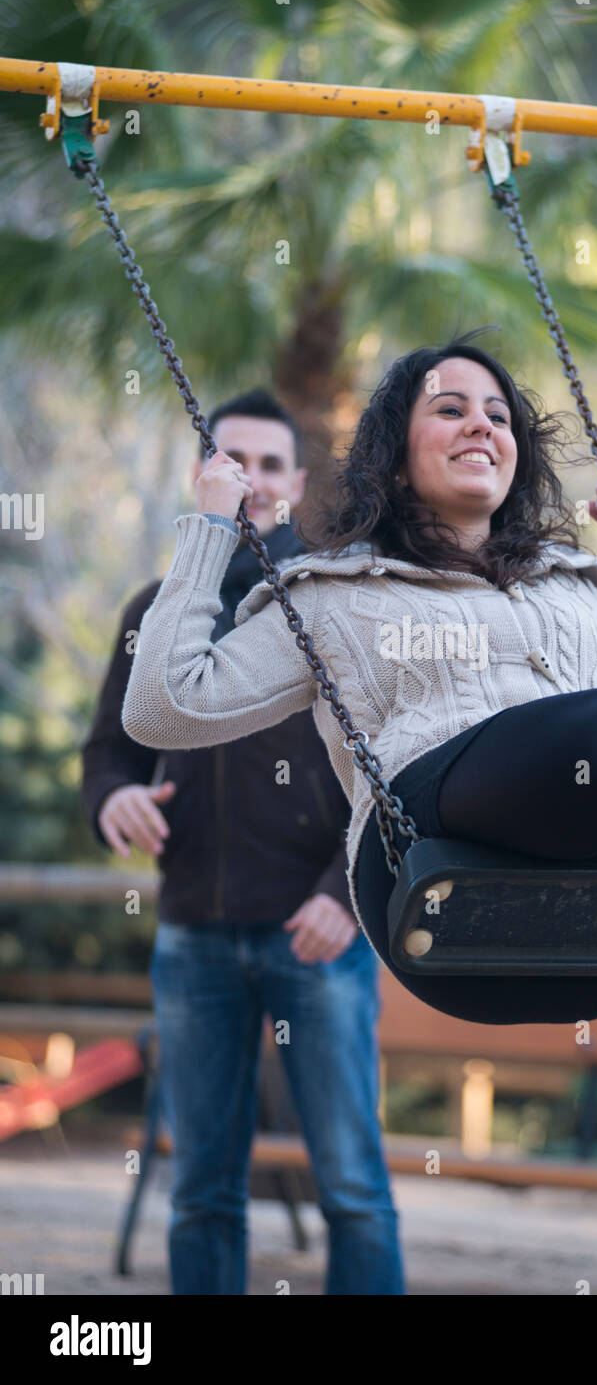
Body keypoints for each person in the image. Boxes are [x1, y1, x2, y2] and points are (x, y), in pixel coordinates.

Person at [120, 283, 597, 1028]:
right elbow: (162, 705)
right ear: (396, 459)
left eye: (497, 415)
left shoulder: (576, 594)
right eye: (450, 409)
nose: (480, 423)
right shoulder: (329, 595)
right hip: (446, 892)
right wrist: (211, 527)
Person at [81, 389, 404, 1295]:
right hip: (193, 937)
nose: (253, 481)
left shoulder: (336, 601)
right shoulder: (157, 607)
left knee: (352, 1190)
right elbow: (109, 750)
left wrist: (345, 899)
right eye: (234, 462)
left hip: (319, 937)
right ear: (204, 476)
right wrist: (112, 802)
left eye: (270, 465)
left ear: (296, 483)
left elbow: (395, 769)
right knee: (201, 1194)